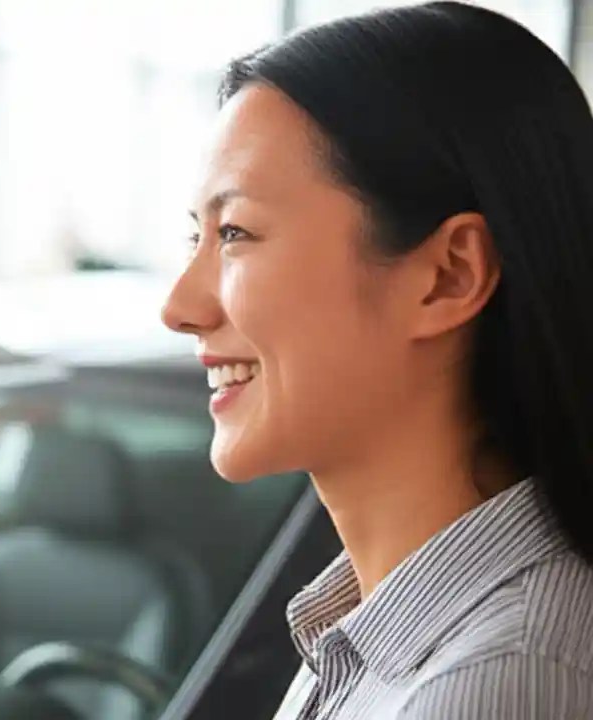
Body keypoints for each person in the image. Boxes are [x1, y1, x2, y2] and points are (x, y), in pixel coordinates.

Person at [160, 3, 593, 718]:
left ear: (449, 275)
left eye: (235, 232)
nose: (179, 305)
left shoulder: (496, 684)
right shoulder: (373, 634)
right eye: (195, 236)